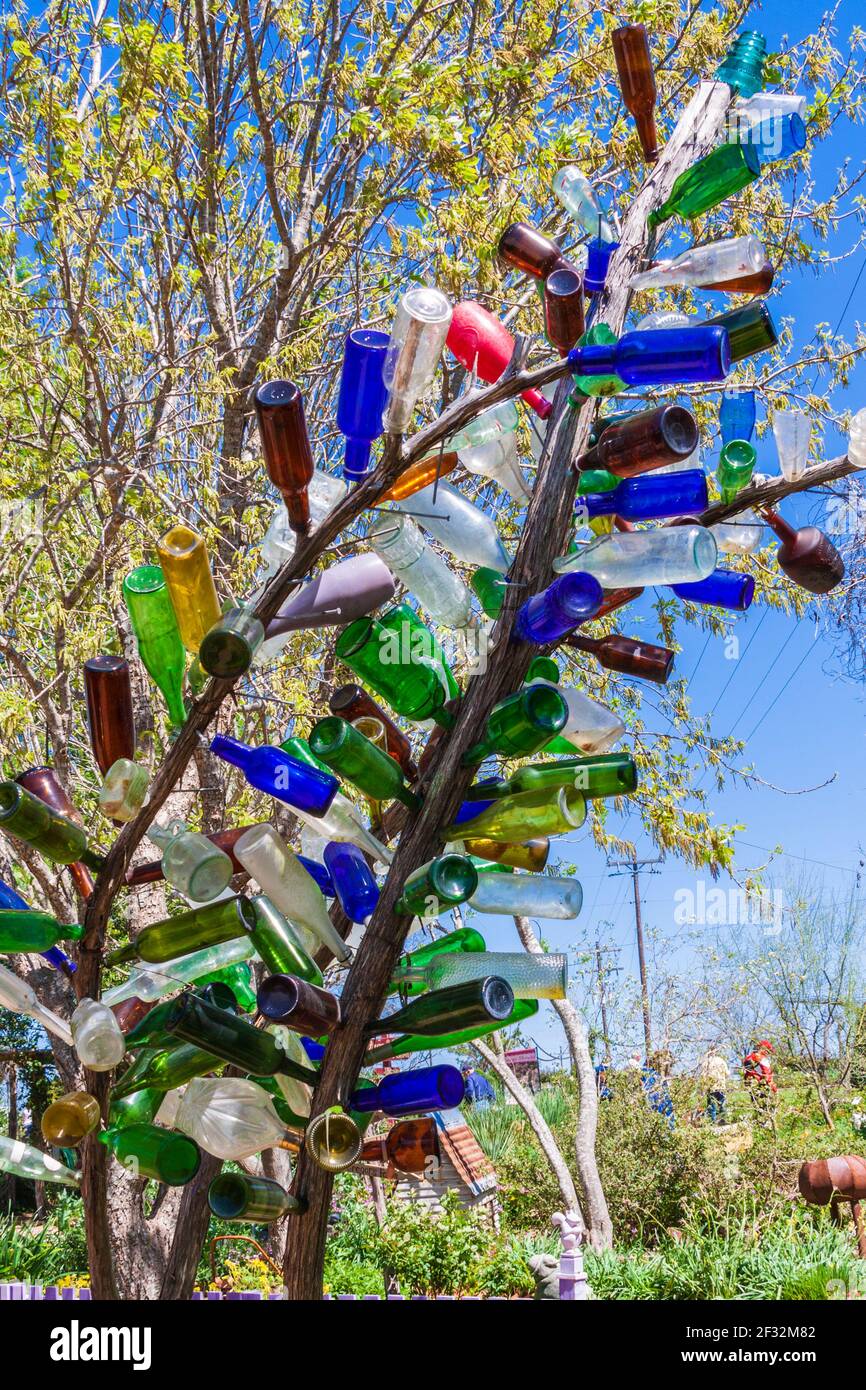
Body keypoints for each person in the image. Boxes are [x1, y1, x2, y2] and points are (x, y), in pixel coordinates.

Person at [699, 1046, 730, 1125]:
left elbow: (703, 1076)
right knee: (722, 1104)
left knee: (711, 1105)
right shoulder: (721, 1061)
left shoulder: (705, 1062)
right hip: (721, 1086)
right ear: (715, 1051)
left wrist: (703, 1088)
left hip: (711, 1087)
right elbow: (727, 1073)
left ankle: (712, 1122)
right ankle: (723, 1121)